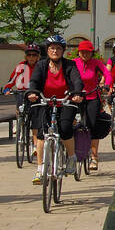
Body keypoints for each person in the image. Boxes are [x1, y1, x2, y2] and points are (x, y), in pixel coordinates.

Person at [25, 34, 84, 184]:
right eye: (52, 48)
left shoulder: (69, 65)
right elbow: (34, 80)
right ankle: (40, 169)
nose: (55, 51)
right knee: (41, 134)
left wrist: (77, 93)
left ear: (63, 50)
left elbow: (77, 80)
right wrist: (32, 92)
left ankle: (71, 157)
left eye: (58, 48)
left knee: (65, 129)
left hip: (65, 102)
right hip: (46, 102)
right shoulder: (41, 65)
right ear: (47, 50)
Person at [73, 40, 112, 170]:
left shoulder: (96, 63)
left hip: (92, 96)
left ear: (92, 53)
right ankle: (72, 151)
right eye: (82, 52)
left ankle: (94, 157)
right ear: (78, 52)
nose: (85, 54)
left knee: (92, 125)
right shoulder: (73, 63)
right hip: (76, 96)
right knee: (70, 122)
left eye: (88, 52)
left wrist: (106, 85)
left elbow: (107, 74)